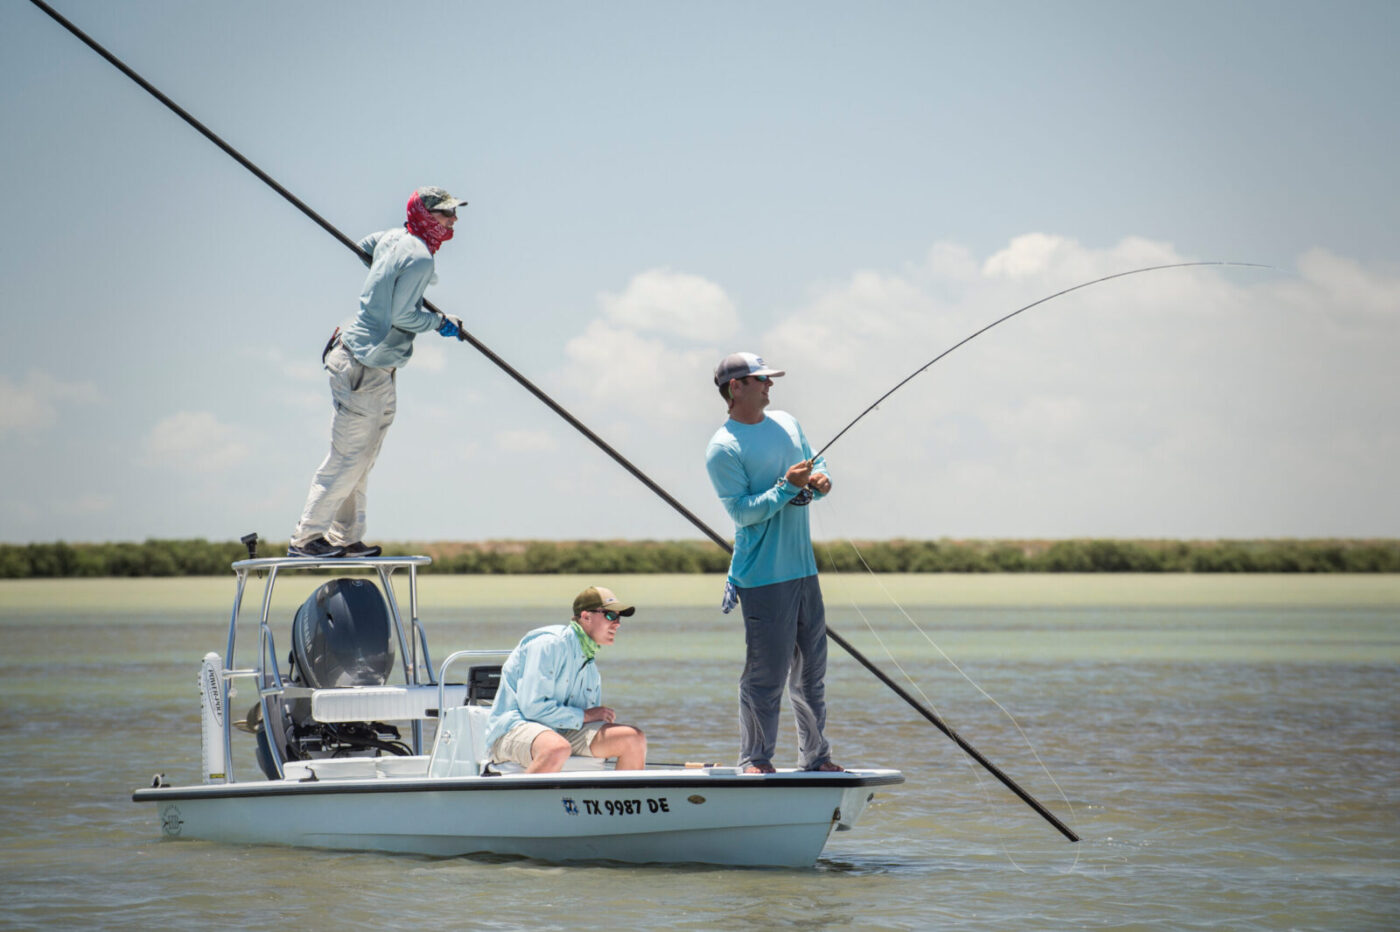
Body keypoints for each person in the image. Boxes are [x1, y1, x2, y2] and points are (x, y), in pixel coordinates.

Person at [288, 186, 469, 558]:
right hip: (363, 364)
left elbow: (365, 247)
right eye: (445, 214)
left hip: (375, 364)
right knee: (348, 456)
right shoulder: (420, 257)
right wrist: (439, 322)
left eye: (454, 214)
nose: (453, 222)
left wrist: (387, 279)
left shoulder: (394, 237)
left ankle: (344, 538)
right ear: (424, 215)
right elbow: (403, 316)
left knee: (363, 456)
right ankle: (306, 540)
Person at [704, 352, 842, 774]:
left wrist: (820, 481)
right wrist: (787, 487)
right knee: (765, 676)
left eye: (769, 379)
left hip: (803, 571)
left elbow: (817, 467)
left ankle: (816, 758)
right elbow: (743, 512)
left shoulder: (787, 422)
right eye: (761, 379)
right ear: (736, 387)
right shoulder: (723, 448)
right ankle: (755, 758)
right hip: (763, 577)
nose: (770, 385)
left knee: (811, 675)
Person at [483, 586, 648, 774]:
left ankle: (621, 803)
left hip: (564, 731)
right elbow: (532, 708)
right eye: (611, 616)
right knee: (556, 748)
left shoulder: (590, 665)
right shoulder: (548, 644)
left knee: (633, 738)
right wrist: (586, 715)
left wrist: (592, 719)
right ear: (586, 617)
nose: (617, 623)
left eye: (619, 617)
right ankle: (525, 803)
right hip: (514, 728)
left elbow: (584, 722)